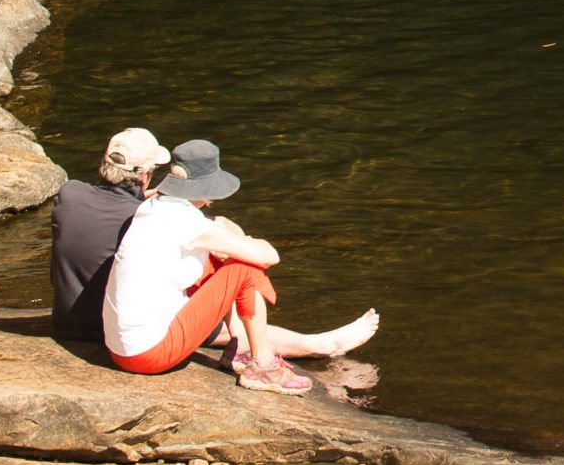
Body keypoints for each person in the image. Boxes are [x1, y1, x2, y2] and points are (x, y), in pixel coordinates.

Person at [98, 138, 379, 393]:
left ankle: (241, 346)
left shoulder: (154, 208)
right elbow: (269, 256)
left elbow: (207, 232)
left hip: (122, 347)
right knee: (245, 269)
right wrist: (243, 239)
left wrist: (225, 236)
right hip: (147, 355)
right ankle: (262, 367)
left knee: (222, 259)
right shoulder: (186, 222)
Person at [48, 125, 168, 348]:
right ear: (145, 176)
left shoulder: (69, 194)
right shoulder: (145, 218)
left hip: (67, 325)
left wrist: (139, 202)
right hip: (115, 333)